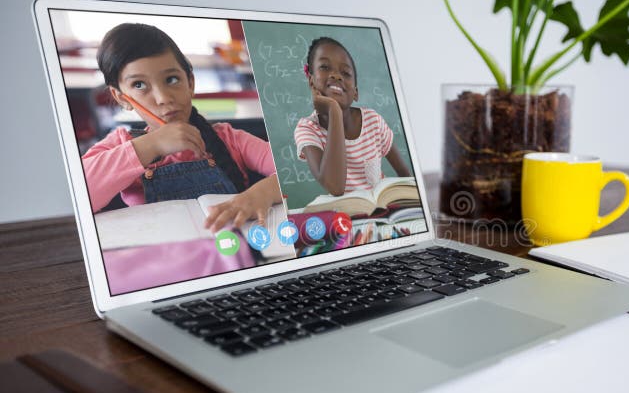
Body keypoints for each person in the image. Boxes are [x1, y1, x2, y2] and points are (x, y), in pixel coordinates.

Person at [82, 23, 282, 233]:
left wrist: (261, 194)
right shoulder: (122, 144)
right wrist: (151, 145)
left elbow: (298, 172)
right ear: (121, 98)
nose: (163, 98)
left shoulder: (229, 139)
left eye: (172, 79)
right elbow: (79, 195)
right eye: (139, 85)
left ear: (190, 83)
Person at [294, 37, 411, 196]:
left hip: (381, 211)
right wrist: (334, 110)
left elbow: (405, 175)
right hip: (343, 218)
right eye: (325, 67)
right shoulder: (307, 129)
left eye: (346, 73)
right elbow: (335, 187)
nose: (336, 75)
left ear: (355, 92)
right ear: (311, 81)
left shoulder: (373, 121)